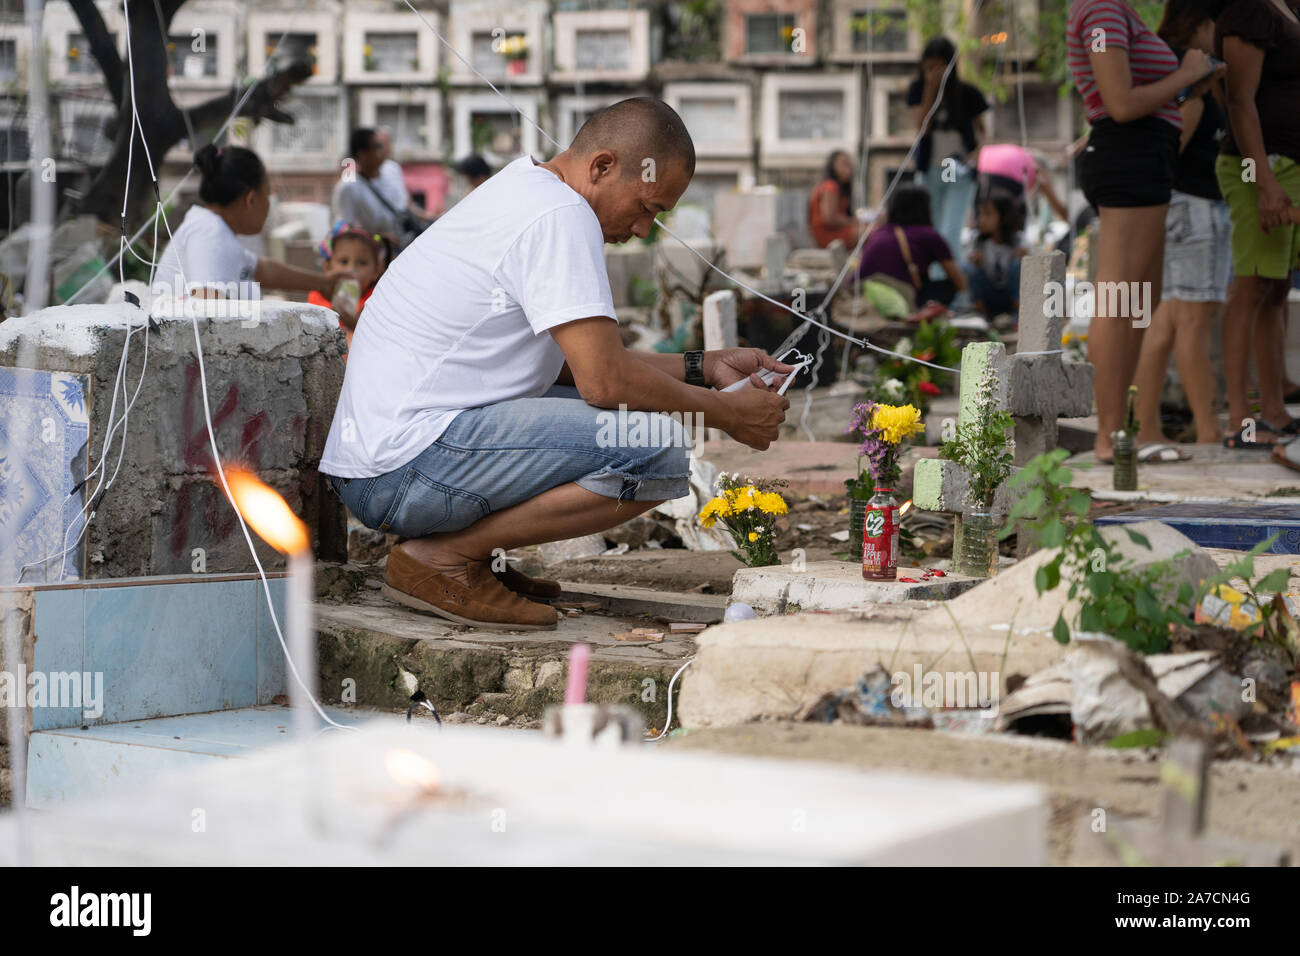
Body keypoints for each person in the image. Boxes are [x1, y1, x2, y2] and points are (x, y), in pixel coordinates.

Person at [319, 98, 792, 631]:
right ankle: (443, 560)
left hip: (383, 464)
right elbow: (603, 381)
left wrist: (701, 365)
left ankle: (466, 556)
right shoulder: (561, 216)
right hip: (401, 468)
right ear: (602, 166)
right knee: (656, 449)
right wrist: (723, 414)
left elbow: (577, 364)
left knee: (641, 430)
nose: (642, 229)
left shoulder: (527, 190)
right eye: (645, 206)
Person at [1067, 0, 1222, 462]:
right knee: (1120, 299)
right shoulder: (1101, 11)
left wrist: (1189, 89)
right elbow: (1119, 102)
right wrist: (1185, 74)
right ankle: (1108, 437)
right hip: (1126, 156)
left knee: (1141, 300)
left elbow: (1144, 97)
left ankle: (1124, 432)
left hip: (1147, 156)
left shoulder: (1119, 12)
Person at [1131, 0, 1233, 456]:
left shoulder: (1172, 66)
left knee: (1168, 320)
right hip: (1192, 204)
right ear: (1201, 24)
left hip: (1177, 207)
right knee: (1192, 319)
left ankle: (1147, 426)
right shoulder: (1188, 74)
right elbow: (1175, 142)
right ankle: (1208, 429)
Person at [1215, 0, 1300, 449]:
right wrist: (1264, 182)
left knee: (1276, 288)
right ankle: (1238, 420)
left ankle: (1272, 411)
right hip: (1260, 168)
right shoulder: (1249, 11)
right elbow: (1238, 99)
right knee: (1248, 288)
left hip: (1290, 165)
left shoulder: (1288, 9)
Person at [154, 144, 344, 304]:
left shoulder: (216, 229)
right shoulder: (209, 232)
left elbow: (264, 270)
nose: (269, 205)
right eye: (268, 196)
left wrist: (323, 283)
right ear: (251, 200)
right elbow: (207, 310)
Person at [908, 36, 989, 269]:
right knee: (929, 229)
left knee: (951, 230)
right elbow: (922, 127)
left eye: (938, 67)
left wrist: (975, 155)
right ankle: (932, 283)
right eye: (928, 68)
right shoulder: (917, 90)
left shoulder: (968, 94)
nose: (932, 72)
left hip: (958, 171)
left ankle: (954, 289)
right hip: (929, 169)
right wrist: (930, 92)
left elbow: (983, 132)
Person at [853, 184, 967, 305]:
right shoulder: (929, 236)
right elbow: (960, 283)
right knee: (949, 287)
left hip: (862, 294)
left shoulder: (880, 232)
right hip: (901, 298)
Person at [333, 127, 420, 249]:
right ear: (362, 154)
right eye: (378, 147)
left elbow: (406, 205)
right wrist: (379, 238)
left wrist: (430, 218)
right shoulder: (348, 187)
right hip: (377, 255)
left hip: (406, 245)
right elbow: (346, 230)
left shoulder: (392, 169)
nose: (384, 150)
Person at [307, 221, 386, 348]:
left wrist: (347, 318)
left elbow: (373, 336)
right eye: (344, 262)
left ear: (376, 270)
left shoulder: (377, 300)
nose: (351, 270)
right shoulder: (318, 296)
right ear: (327, 267)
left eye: (362, 263)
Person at [965, 188, 1026, 320]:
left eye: (988, 214)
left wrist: (1024, 258)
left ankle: (1018, 313)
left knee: (1019, 265)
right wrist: (976, 262)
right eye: (980, 214)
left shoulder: (1017, 241)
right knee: (970, 269)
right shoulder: (977, 241)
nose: (982, 219)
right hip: (989, 295)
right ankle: (984, 315)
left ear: (1004, 216)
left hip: (1009, 295)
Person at [975, 142, 1070, 222]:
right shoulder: (1037, 170)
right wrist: (1071, 221)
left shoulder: (1021, 157)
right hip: (1000, 175)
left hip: (981, 162)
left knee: (983, 211)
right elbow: (1057, 205)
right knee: (1016, 214)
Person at [809, 150, 864, 248]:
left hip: (836, 232)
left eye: (850, 165)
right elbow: (829, 219)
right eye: (845, 164)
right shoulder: (830, 186)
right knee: (872, 231)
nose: (849, 169)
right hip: (829, 236)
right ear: (833, 166)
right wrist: (852, 221)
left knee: (872, 228)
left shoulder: (838, 187)